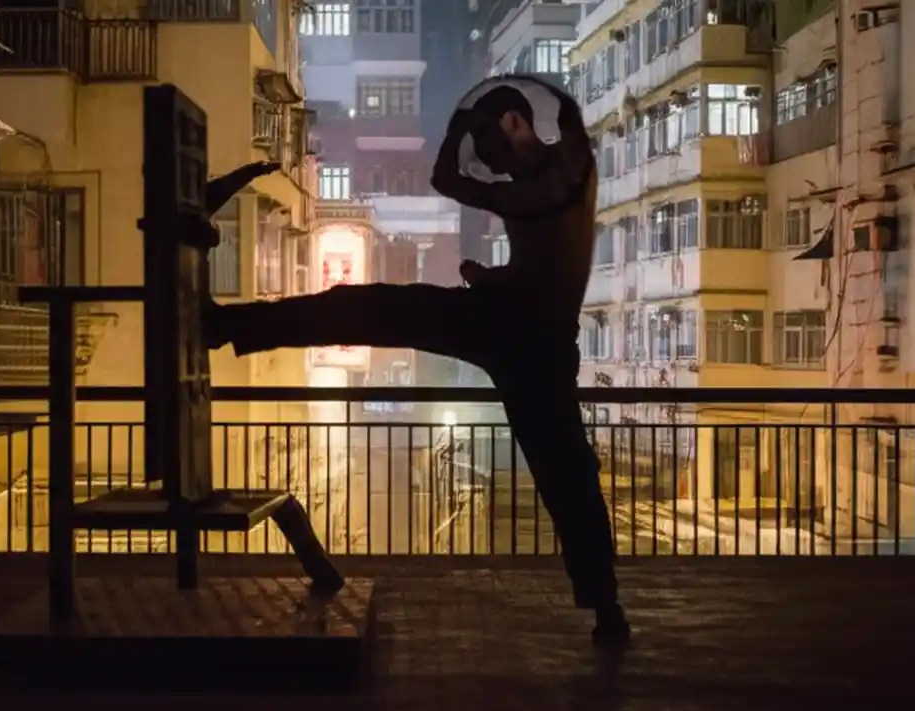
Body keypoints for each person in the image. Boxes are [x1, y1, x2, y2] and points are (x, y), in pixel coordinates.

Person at [201, 75, 630, 646]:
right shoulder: (563, 167)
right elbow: (521, 231)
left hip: (527, 335)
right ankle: (606, 607)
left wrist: (461, 127)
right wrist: (495, 276)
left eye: (496, 149)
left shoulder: (558, 176)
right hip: (523, 329)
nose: (497, 166)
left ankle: (607, 606)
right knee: (371, 310)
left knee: (565, 474)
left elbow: (454, 181)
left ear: (514, 124)